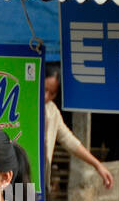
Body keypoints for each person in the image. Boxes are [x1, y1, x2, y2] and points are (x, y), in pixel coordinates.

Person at [44, 61, 114, 193]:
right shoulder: (21, 104)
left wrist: (97, 165)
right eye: (44, 89)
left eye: (52, 93)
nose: (46, 96)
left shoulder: (52, 111)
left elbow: (70, 141)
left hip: (37, 184)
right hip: (15, 181)